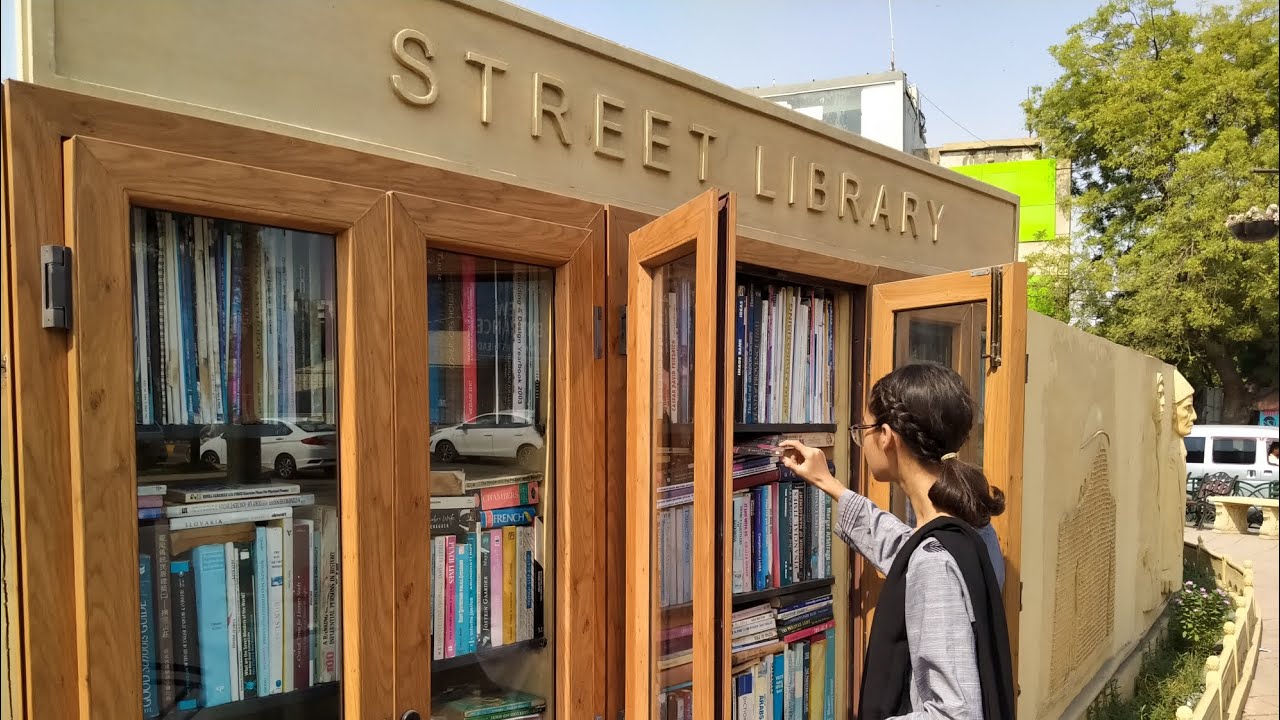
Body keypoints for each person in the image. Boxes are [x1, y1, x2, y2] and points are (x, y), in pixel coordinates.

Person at [780, 363, 1014, 720]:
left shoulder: (934, 560)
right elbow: (903, 546)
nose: (862, 440)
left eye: (863, 430)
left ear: (886, 436)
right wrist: (829, 484)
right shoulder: (973, 531)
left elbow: (954, 715)